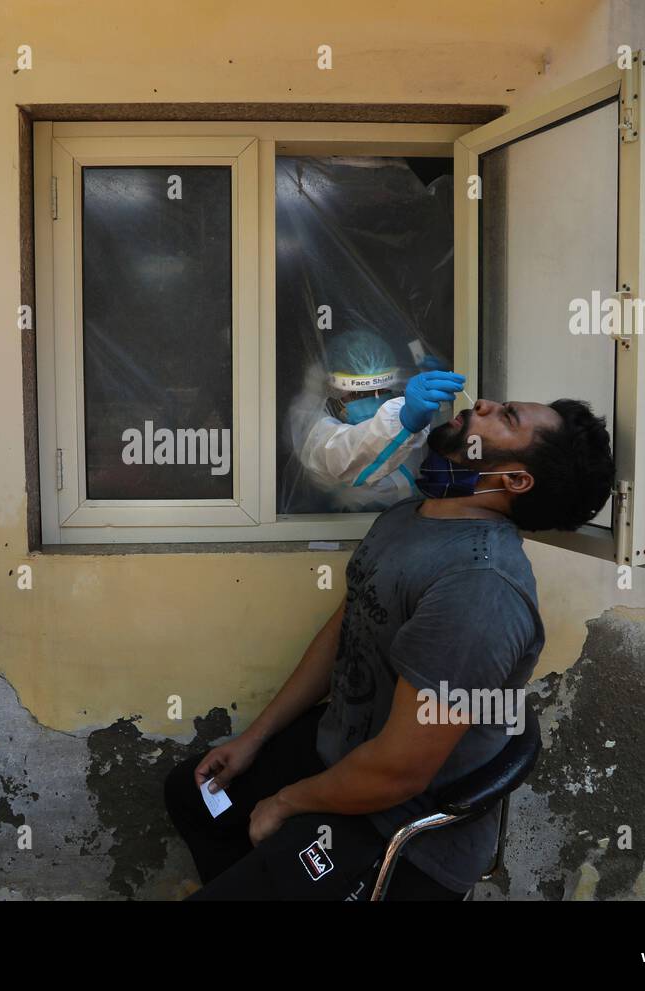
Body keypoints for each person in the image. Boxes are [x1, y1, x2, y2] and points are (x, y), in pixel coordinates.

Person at [166, 395, 615, 899]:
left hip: (400, 828)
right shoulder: (413, 516)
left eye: (506, 418)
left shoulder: (479, 587)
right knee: (196, 797)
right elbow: (348, 626)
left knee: (265, 834)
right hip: (342, 759)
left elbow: (398, 772)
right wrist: (255, 738)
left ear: (514, 480)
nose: (484, 404)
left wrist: (285, 804)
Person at [286, 329, 465, 512]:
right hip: (350, 527)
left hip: (415, 519)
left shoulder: (405, 404)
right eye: (359, 394)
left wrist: (442, 403)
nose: (374, 400)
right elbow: (345, 452)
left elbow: (437, 432)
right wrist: (404, 421)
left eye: (381, 391)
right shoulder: (310, 427)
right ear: (332, 391)